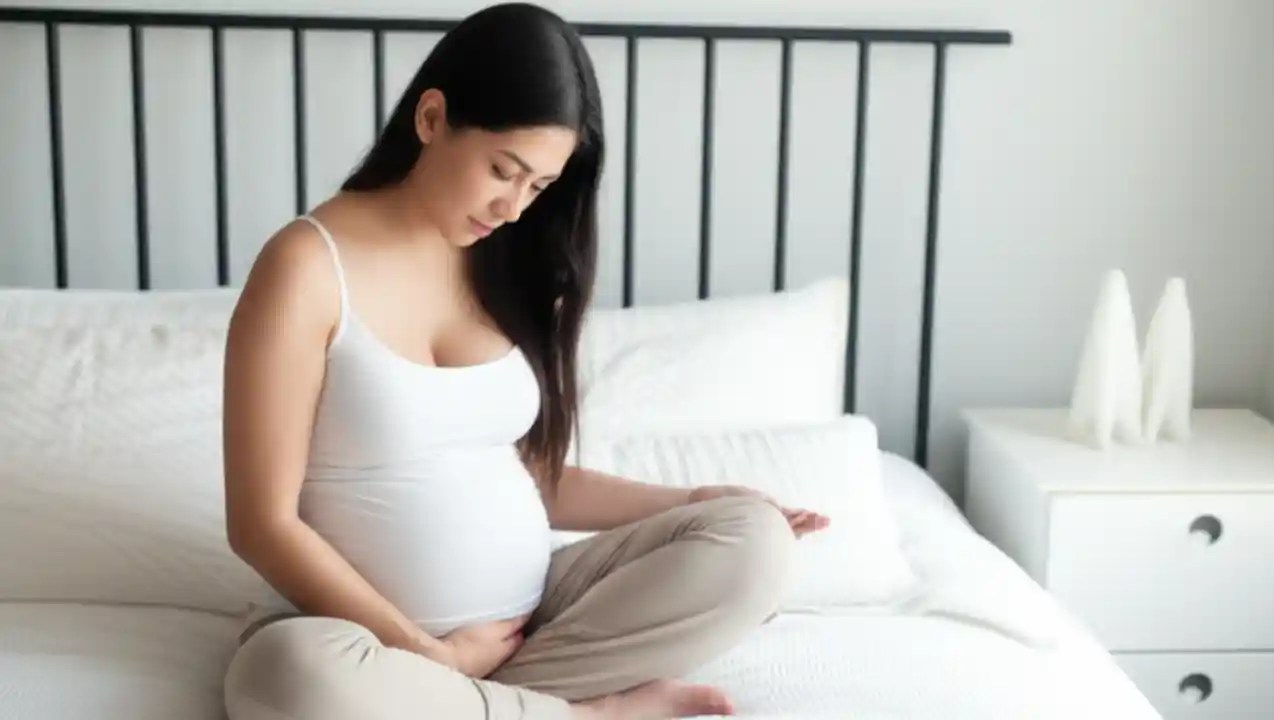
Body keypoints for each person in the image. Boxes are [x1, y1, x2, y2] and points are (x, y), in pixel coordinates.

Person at [220, 4, 829, 719]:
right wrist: (426, 654)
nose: (513, 208)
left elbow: (526, 475)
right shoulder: (305, 267)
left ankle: (476, 705)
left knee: (754, 542)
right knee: (288, 677)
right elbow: (261, 525)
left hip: (537, 624)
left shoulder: (497, 263)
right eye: (502, 170)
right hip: (364, 645)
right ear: (431, 118)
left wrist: (692, 502)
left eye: (537, 186)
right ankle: (585, 713)